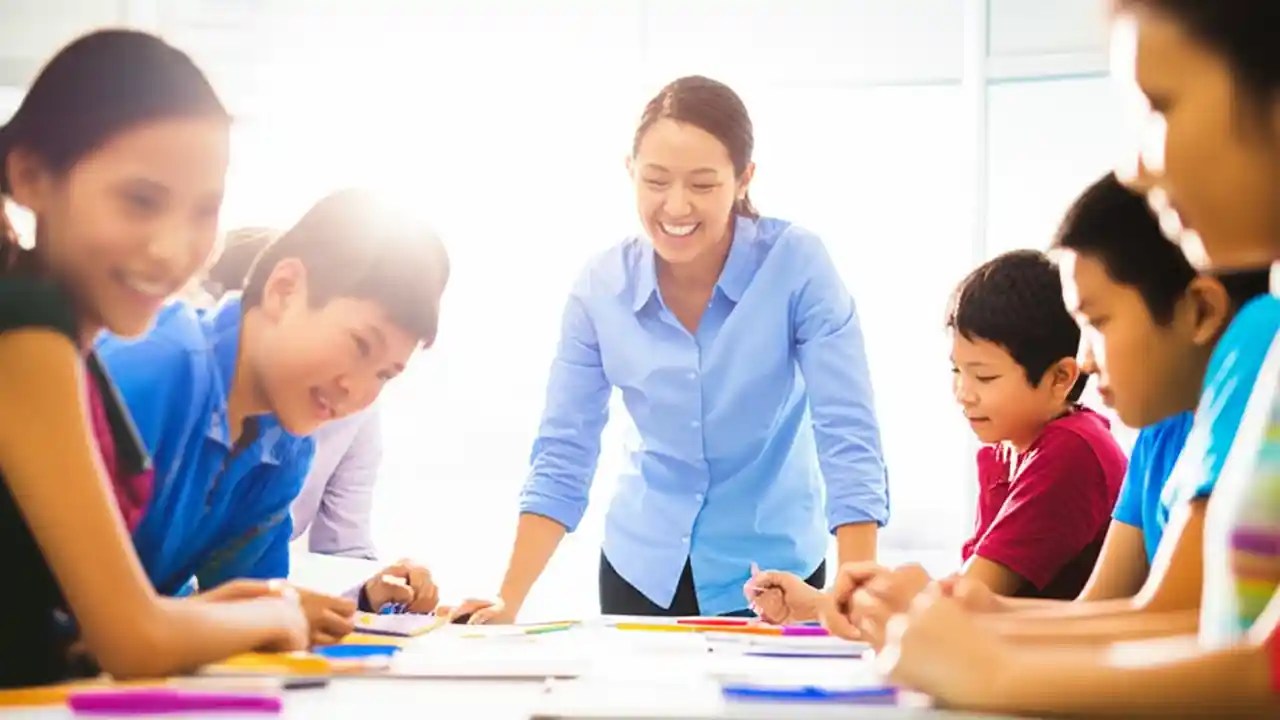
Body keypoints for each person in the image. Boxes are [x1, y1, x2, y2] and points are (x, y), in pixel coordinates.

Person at [877, 1, 1280, 715]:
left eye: (1160, 106)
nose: (1136, 165)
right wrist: (978, 636)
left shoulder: (1254, 334)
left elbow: (1249, 668)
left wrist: (994, 667)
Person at [445, 75, 889, 623]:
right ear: (629, 170)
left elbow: (846, 428)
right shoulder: (600, 287)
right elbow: (564, 450)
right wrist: (508, 598)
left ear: (743, 179)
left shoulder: (797, 265)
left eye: (703, 184)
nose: (676, 206)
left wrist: (854, 590)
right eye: (655, 180)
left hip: (775, 577)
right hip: (642, 572)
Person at [0, 29, 306, 688]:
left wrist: (205, 613)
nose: (172, 248)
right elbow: (132, 642)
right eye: (140, 201)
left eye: (204, 210)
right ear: (31, 179)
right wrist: (275, 613)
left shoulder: (65, 343)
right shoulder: (27, 334)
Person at [97, 190, 450, 644]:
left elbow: (252, 603)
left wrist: (354, 604)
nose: (359, 392)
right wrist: (269, 614)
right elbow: (88, 616)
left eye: (385, 374)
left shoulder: (284, 446)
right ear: (285, 290)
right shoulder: (151, 367)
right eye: (360, 345)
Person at [753, 249, 1128, 628]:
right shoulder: (1003, 452)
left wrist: (843, 602)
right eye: (957, 371)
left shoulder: (1073, 451)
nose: (963, 393)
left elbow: (965, 600)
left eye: (984, 377)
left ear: (1060, 378)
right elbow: (967, 597)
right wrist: (819, 605)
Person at [204, 226, 384, 562]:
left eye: (386, 373)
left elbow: (258, 573)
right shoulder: (171, 375)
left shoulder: (293, 444)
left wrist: (372, 586)